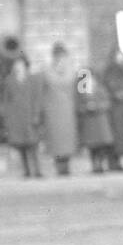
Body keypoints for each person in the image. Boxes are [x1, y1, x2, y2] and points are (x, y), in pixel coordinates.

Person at [3, 53, 43, 178]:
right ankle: (26, 170)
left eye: (20, 64)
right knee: (21, 146)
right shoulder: (9, 81)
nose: (18, 67)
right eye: (16, 64)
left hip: (29, 116)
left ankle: (37, 170)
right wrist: (8, 118)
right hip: (16, 118)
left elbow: (36, 98)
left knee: (33, 144)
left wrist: (36, 114)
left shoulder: (32, 79)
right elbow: (7, 101)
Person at [42, 43, 79, 175]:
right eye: (58, 56)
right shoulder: (47, 71)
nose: (61, 58)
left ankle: (66, 164)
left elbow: (80, 88)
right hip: (53, 110)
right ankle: (59, 164)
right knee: (56, 139)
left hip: (67, 109)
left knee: (67, 138)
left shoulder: (73, 70)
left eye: (63, 56)